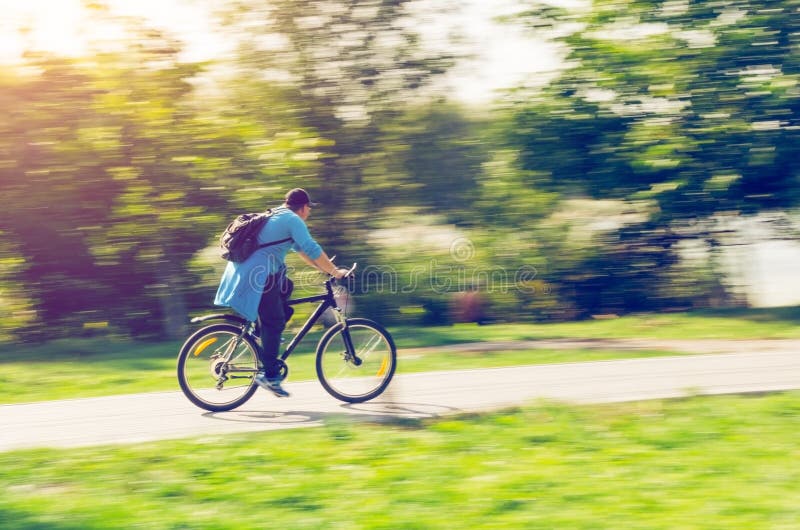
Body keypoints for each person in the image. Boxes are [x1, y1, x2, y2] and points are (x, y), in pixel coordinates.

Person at [214, 188, 349, 397]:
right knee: (274, 321)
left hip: (256, 274)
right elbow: (311, 247)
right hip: (259, 277)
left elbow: (301, 250)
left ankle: (266, 337)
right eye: (309, 209)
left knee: (287, 287)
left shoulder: (278, 214)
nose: (309, 213)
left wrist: (326, 269)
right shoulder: (293, 220)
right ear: (304, 208)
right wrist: (336, 272)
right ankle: (269, 376)